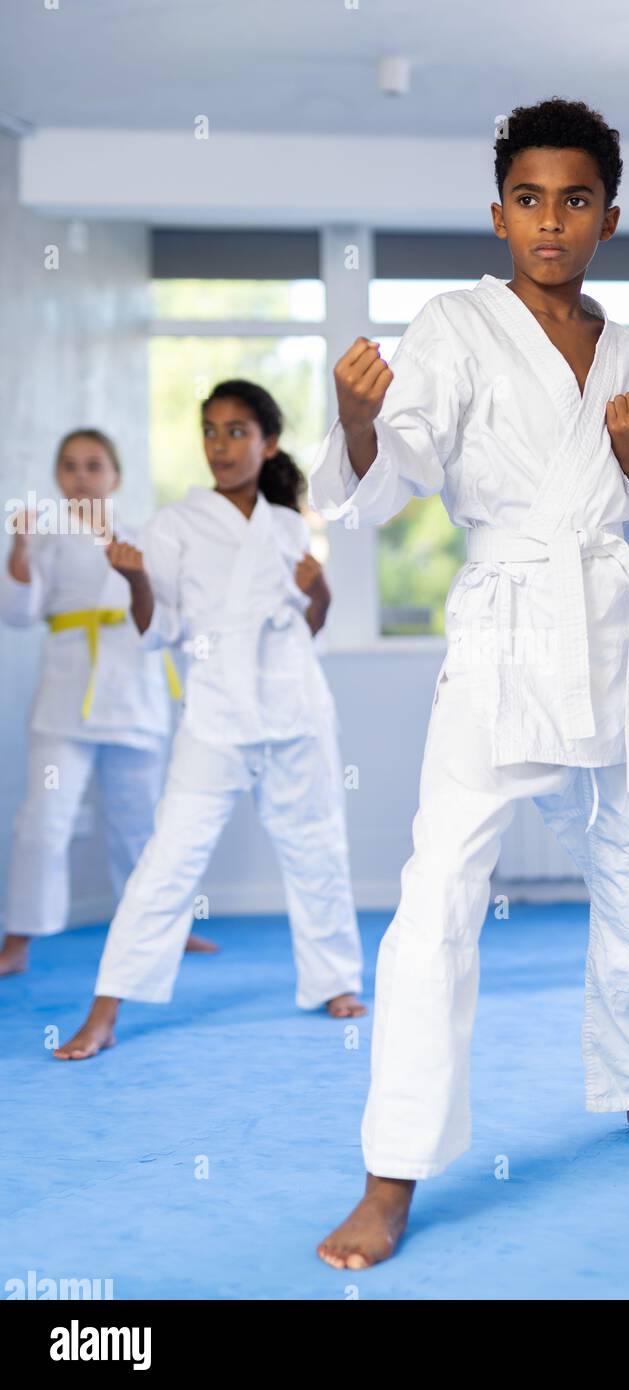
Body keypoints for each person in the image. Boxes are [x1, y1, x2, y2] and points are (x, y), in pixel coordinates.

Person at [311, 97, 629, 1272]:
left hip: (608, 639)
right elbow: (391, 473)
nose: (550, 223)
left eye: (574, 201)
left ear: (609, 217)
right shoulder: (458, 326)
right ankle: (391, 1171)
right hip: (506, 633)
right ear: (497, 214)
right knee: (436, 904)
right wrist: (360, 422)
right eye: (528, 200)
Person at [54, 381, 364, 1060]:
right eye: (211, 431)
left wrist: (323, 591)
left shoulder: (286, 524)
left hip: (294, 703)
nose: (220, 446)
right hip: (217, 709)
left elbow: (311, 625)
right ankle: (105, 1011)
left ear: (268, 442)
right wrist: (134, 579)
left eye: (237, 431)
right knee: (167, 860)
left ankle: (334, 980)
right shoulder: (172, 525)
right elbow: (155, 630)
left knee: (316, 845)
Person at [0, 428, 214, 977]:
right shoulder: (45, 539)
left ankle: (165, 928)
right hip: (67, 697)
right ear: (57, 476)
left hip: (133, 692)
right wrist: (18, 546)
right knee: (43, 820)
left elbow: (168, 611)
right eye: (69, 465)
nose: (81, 476)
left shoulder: (142, 536)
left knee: (139, 823)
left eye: (93, 465)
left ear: (115, 476)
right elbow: (20, 613)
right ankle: (19, 938)